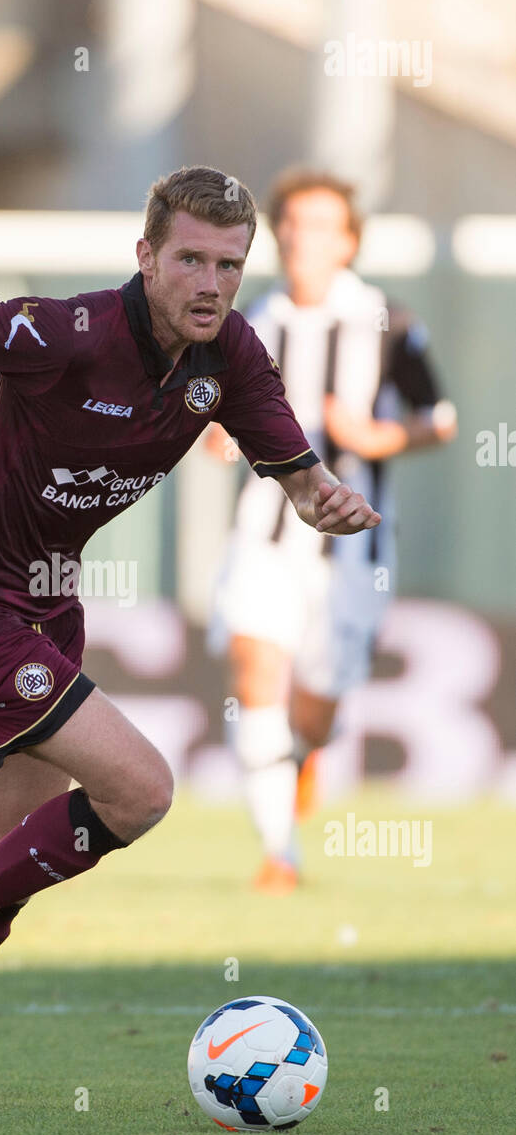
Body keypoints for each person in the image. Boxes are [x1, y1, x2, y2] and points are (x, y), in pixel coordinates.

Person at [0, 166, 380, 1106]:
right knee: (139, 792)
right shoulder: (65, 335)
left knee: (11, 869)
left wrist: (326, 502)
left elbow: (300, 480)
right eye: (189, 258)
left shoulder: (230, 359)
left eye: (228, 264)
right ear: (145, 258)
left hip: (44, 606)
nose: (210, 283)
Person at [206, 168, 457, 895]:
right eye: (288, 224)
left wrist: (378, 438)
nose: (298, 238)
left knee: (312, 709)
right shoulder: (246, 319)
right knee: (255, 673)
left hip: (353, 552)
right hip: (262, 536)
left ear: (347, 241)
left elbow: (438, 418)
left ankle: (303, 757)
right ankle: (279, 853)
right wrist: (214, 436)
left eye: (318, 226)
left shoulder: (386, 320)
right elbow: (208, 413)